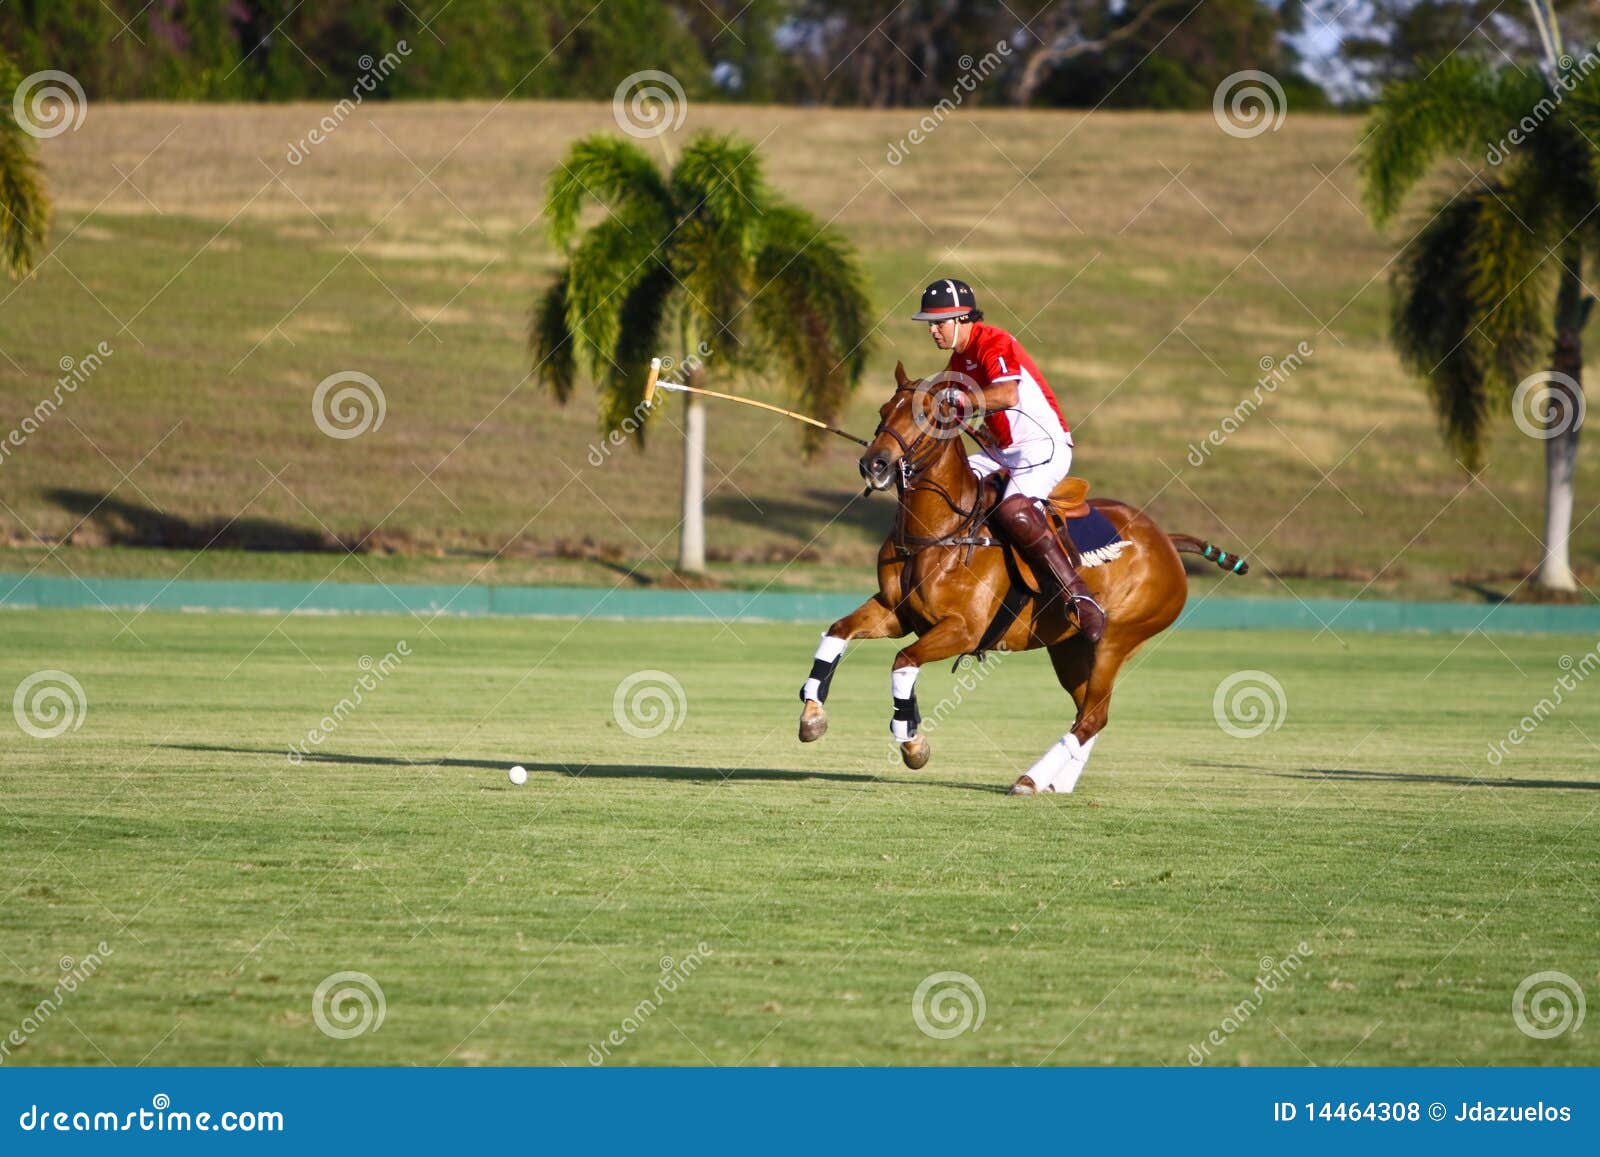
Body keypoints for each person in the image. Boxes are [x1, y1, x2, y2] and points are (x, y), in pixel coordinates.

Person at [912, 278, 1105, 642]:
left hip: (1042, 448)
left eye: (939, 322)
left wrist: (965, 403)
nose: (933, 330)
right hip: (1002, 452)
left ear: (963, 318)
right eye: (930, 324)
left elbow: (1007, 393)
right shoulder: (958, 361)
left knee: (1013, 510)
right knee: (948, 486)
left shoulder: (993, 342)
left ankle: (1080, 597)